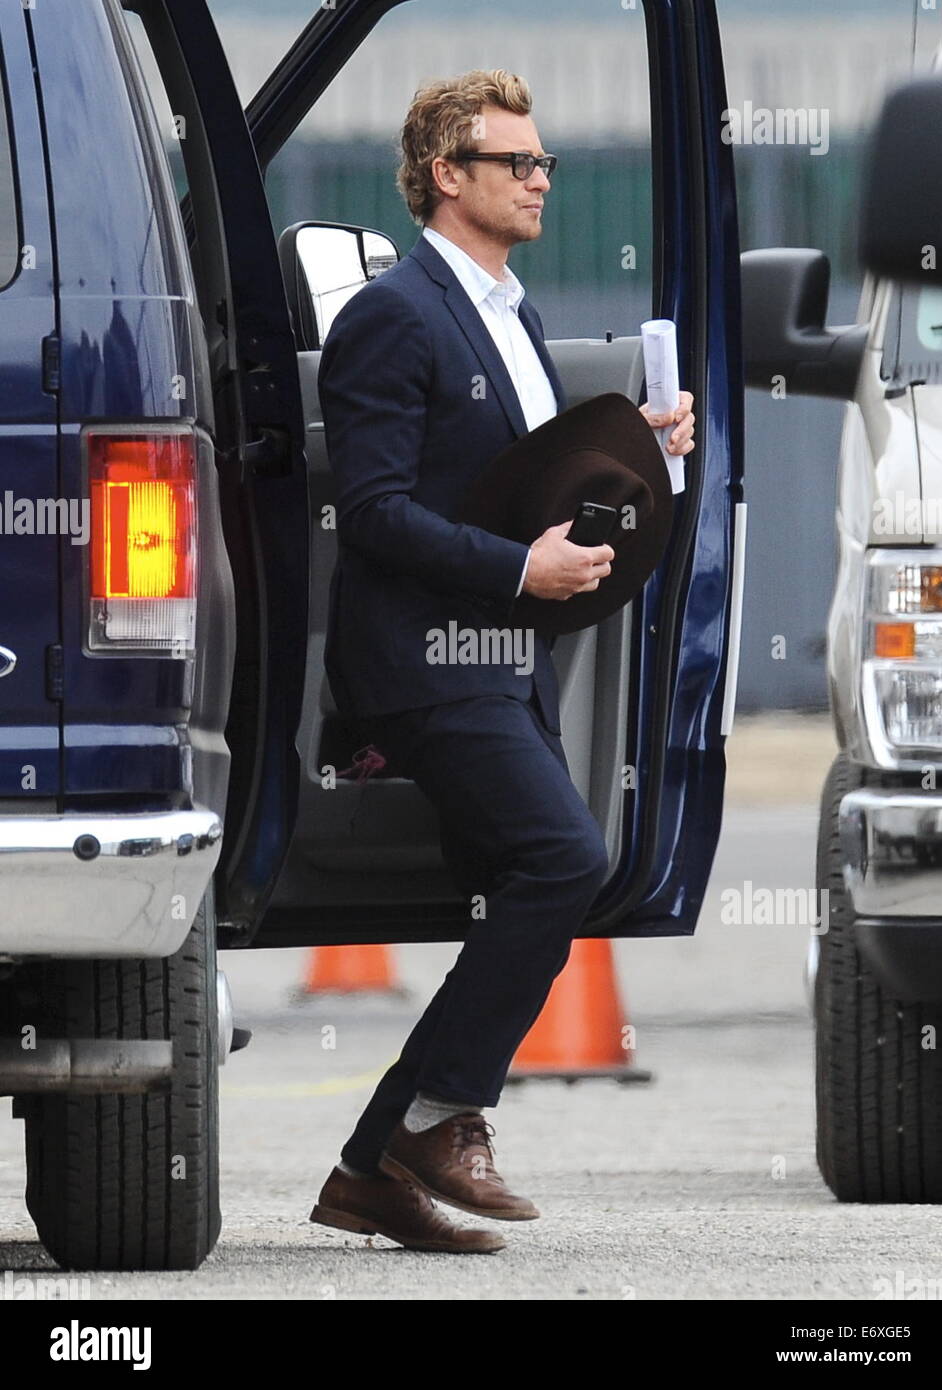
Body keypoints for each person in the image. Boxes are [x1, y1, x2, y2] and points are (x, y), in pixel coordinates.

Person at [310, 69, 695, 1254]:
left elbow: (510, 483)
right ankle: (441, 1113)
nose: (540, 179)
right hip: (423, 664)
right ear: (446, 175)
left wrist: (635, 438)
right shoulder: (395, 313)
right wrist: (513, 577)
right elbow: (370, 512)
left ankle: (369, 1170)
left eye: (543, 163)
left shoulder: (507, 312)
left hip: (496, 661)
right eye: (516, 163)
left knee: (556, 865)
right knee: (560, 855)